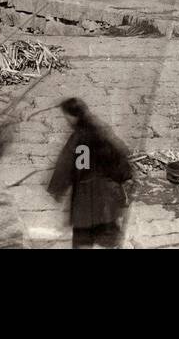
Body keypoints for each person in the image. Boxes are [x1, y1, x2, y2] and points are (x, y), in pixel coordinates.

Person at [47, 97, 134, 248]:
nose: (66, 120)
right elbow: (120, 154)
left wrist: (57, 188)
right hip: (108, 199)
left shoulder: (80, 138)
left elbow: (72, 166)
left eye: (66, 116)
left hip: (86, 201)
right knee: (108, 234)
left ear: (73, 116)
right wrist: (124, 178)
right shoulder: (102, 130)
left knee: (83, 238)